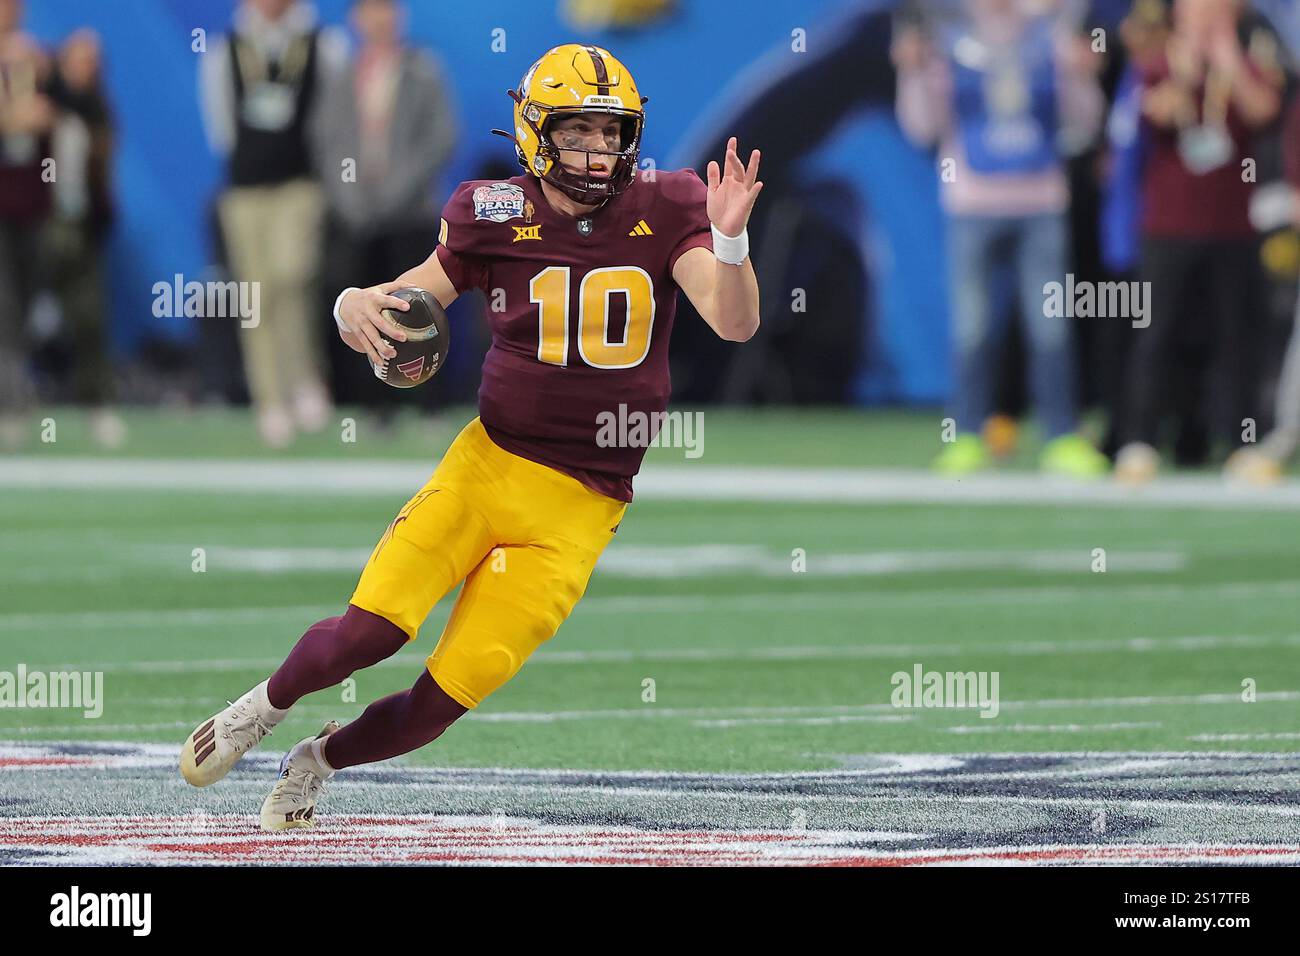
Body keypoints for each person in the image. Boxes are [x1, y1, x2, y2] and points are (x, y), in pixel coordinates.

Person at [179, 44, 763, 830]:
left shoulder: (668, 205)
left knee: (441, 702)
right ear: (535, 132)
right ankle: (262, 707)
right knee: (369, 632)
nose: (597, 151)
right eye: (578, 131)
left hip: (578, 511)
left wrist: (730, 242)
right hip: (487, 465)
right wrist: (352, 303)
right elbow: (403, 300)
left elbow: (734, 320)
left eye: (610, 133)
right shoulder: (494, 212)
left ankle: (319, 758)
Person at [894, 0, 1110, 477]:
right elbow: (920, 128)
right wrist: (912, 73)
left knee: (1051, 326)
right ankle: (967, 434)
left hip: (1041, 200)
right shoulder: (949, 35)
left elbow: (1084, 125)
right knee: (972, 327)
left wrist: (1080, 75)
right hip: (972, 200)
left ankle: (1062, 437)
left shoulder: (1051, 33)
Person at [1114, 0, 1283, 482]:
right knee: (1156, 335)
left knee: (1238, 339)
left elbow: (1263, 111)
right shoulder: (1159, 61)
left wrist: (1228, 57)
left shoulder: (1248, 62)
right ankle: (1138, 440)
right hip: (1169, 225)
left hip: (1232, 224)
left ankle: (1244, 441)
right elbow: (1156, 116)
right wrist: (1187, 75)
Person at [199, 0, 347, 447]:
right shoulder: (225, 50)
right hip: (245, 191)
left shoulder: (324, 44)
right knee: (255, 293)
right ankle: (270, 398)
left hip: (299, 184)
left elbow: (332, 119)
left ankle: (304, 377)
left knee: (293, 274)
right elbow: (221, 125)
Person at [312, 0, 457, 419]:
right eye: (370, 9)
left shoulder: (424, 70)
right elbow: (326, 143)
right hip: (357, 217)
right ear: (356, 19)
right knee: (365, 307)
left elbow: (440, 138)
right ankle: (376, 405)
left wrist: (396, 190)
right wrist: (352, 198)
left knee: (426, 305)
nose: (380, 18)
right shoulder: (341, 76)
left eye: (387, 8)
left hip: (409, 213)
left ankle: (432, 405)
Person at [0, 0, 52, 449]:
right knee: (4, 304)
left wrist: (45, 77)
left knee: (27, 301)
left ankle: (20, 393)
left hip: (29, 202)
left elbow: (67, 110)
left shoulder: (31, 56)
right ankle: (11, 401)